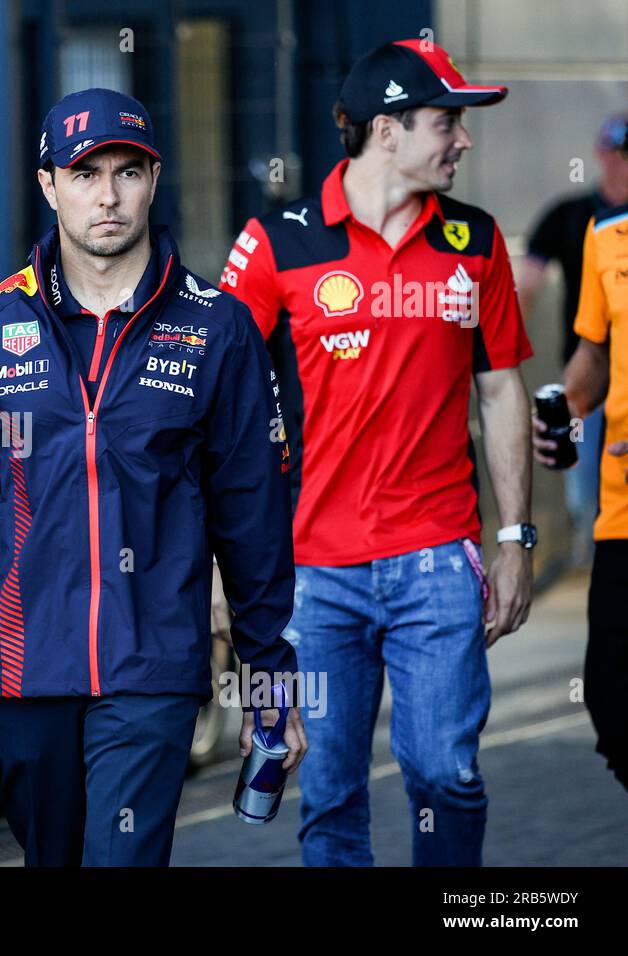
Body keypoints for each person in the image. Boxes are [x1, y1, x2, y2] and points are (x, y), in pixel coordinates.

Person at [0, 88, 306, 867]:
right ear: (48, 186)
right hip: (26, 668)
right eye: (85, 173)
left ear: (154, 178)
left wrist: (268, 681)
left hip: (154, 667)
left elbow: (252, 521)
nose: (108, 195)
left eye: (127, 171)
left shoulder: (216, 328)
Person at [221, 39, 535, 866]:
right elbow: (216, 404)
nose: (462, 141)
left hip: (438, 559)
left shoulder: (475, 239)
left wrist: (514, 542)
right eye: (446, 123)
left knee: (447, 771)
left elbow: (501, 388)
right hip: (311, 574)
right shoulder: (274, 242)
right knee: (329, 797)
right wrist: (225, 567)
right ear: (387, 130)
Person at [533, 198, 628, 791]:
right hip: (620, 514)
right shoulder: (609, 236)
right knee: (613, 702)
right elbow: (595, 351)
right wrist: (567, 406)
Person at [516, 114, 628, 562]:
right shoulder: (577, 217)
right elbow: (525, 286)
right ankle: (596, 548)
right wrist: (501, 367)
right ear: (601, 154)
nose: (622, 163)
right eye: (617, 153)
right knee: (589, 496)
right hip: (591, 380)